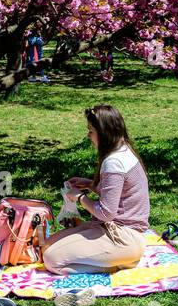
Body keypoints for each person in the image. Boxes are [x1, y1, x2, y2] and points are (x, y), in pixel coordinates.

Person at [40, 105, 149, 276]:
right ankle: (119, 259)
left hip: (123, 237)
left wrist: (80, 197)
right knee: (46, 245)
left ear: (103, 133)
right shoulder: (124, 148)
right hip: (117, 231)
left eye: (91, 131)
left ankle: (116, 265)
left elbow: (106, 213)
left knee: (52, 259)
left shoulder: (114, 162)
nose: (88, 135)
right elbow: (119, 194)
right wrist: (90, 184)